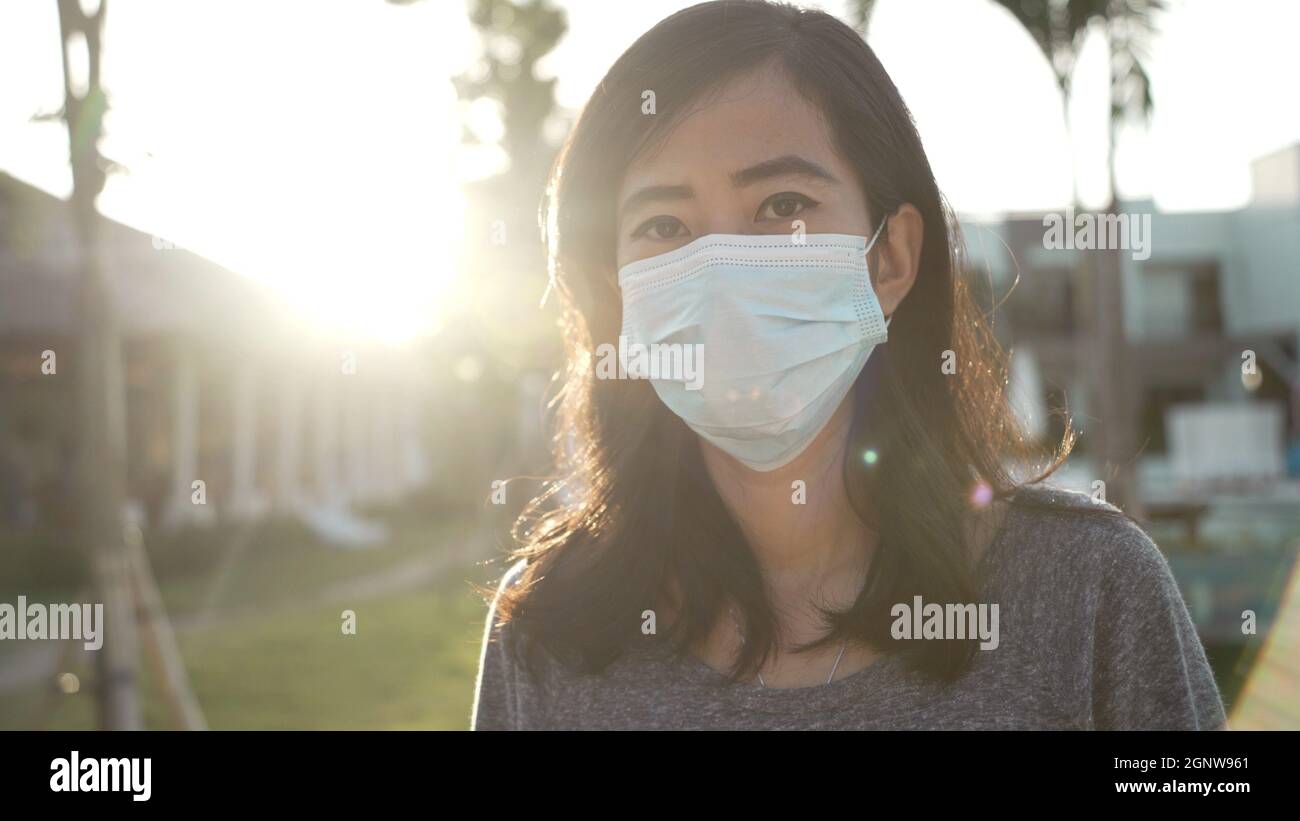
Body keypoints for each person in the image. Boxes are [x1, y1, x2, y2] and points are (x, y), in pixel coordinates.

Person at [470, 0, 1226, 730]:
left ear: (890, 257)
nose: (723, 271)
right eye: (664, 224)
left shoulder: (1089, 593)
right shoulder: (547, 634)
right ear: (618, 291)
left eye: (781, 205)